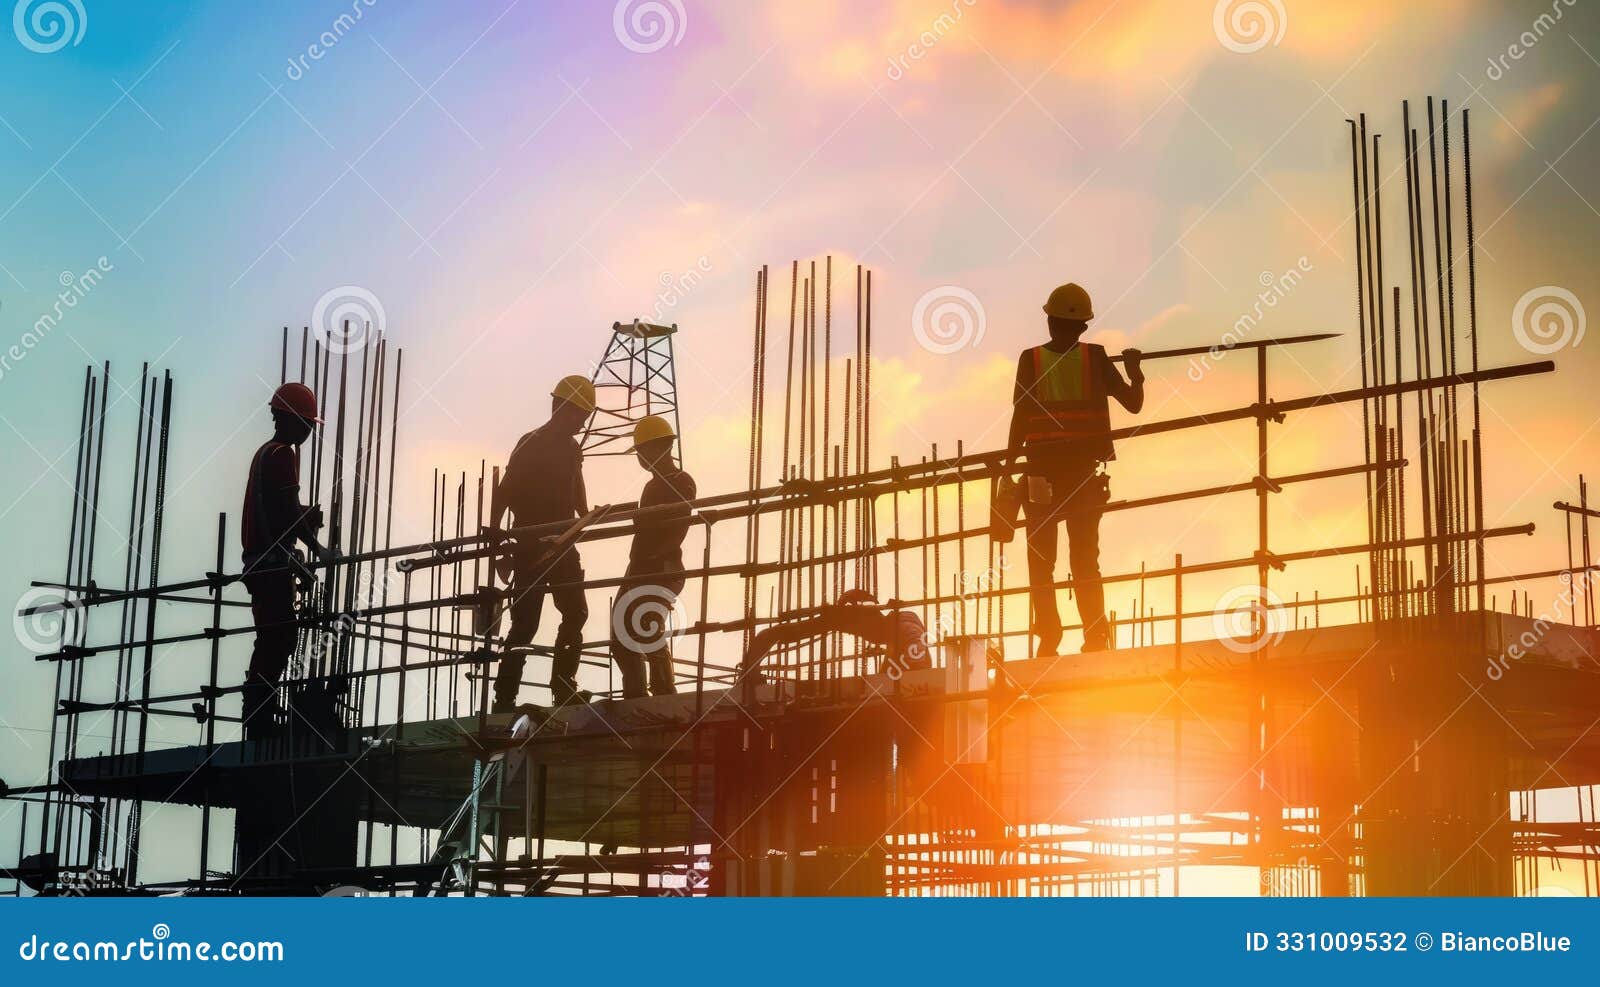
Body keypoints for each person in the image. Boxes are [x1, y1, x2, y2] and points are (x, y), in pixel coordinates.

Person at [1004, 282, 1144, 655]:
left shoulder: (1030, 360)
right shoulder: (1095, 359)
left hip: (1040, 475)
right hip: (1082, 475)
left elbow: (1020, 418)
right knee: (1084, 559)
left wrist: (1007, 468)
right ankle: (1095, 636)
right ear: (1083, 326)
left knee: (1040, 561)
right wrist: (1135, 372)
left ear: (1049, 321)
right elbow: (1133, 404)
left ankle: (1049, 637)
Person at [487, 375, 595, 711]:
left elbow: (576, 487)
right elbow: (505, 490)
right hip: (530, 545)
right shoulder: (531, 443)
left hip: (563, 543)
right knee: (525, 623)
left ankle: (563, 688)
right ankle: (505, 698)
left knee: (575, 612)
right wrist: (495, 531)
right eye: (580, 415)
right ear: (561, 408)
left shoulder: (572, 448)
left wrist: (587, 515)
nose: (582, 423)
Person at [240, 382, 332, 739]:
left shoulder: (266, 453)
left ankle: (259, 714)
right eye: (307, 423)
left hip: (263, 561)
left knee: (274, 637)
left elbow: (279, 511)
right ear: (293, 420)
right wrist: (318, 547)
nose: (309, 431)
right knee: (277, 639)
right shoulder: (282, 456)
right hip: (270, 565)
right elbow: (289, 514)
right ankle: (259, 716)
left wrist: (304, 518)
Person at [610, 415, 696, 699]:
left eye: (642, 451)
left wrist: (653, 554)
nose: (640, 458)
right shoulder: (651, 486)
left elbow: (676, 526)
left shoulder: (682, 481)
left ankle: (663, 692)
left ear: (660, 447)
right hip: (639, 568)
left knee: (647, 626)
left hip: (661, 567)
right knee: (620, 637)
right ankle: (636, 695)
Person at [738, 590, 930, 682]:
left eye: (863, 631)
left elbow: (917, 658)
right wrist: (750, 670)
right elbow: (770, 635)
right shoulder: (853, 621)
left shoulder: (904, 626)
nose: (864, 637)